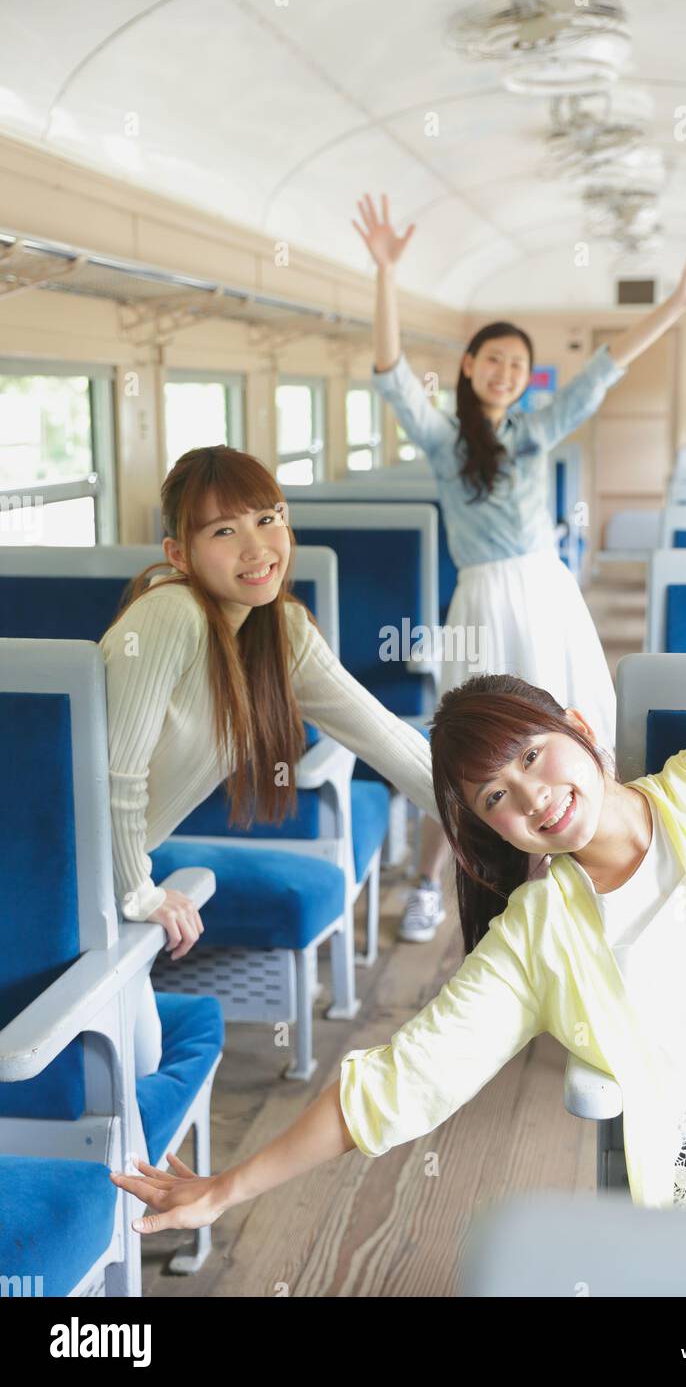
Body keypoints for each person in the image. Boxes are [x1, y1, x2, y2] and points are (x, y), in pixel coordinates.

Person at [110, 522, 686, 1232]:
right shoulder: (537, 936)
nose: (535, 797)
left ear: (580, 727)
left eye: (534, 755)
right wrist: (224, 1188)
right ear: (492, 829)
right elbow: (398, 1081)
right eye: (497, 797)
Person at [353, 191, 686, 943]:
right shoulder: (444, 442)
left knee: (566, 735)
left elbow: (605, 368)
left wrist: (679, 303)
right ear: (468, 367)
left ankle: (593, 884)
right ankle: (438, 883)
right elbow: (391, 371)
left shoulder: (534, 434)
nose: (504, 371)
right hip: (484, 597)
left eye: (517, 364)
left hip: (545, 589)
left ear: (526, 378)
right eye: (492, 359)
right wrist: (386, 274)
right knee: (473, 752)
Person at [100, 445, 438, 1078]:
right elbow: (115, 776)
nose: (256, 547)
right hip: (52, 874)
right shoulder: (170, 613)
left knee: (134, 1066)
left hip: (93, 880)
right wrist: (136, 891)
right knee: (128, 1068)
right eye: (224, 530)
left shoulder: (280, 631)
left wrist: (493, 816)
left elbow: (387, 739)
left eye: (268, 518)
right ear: (180, 554)